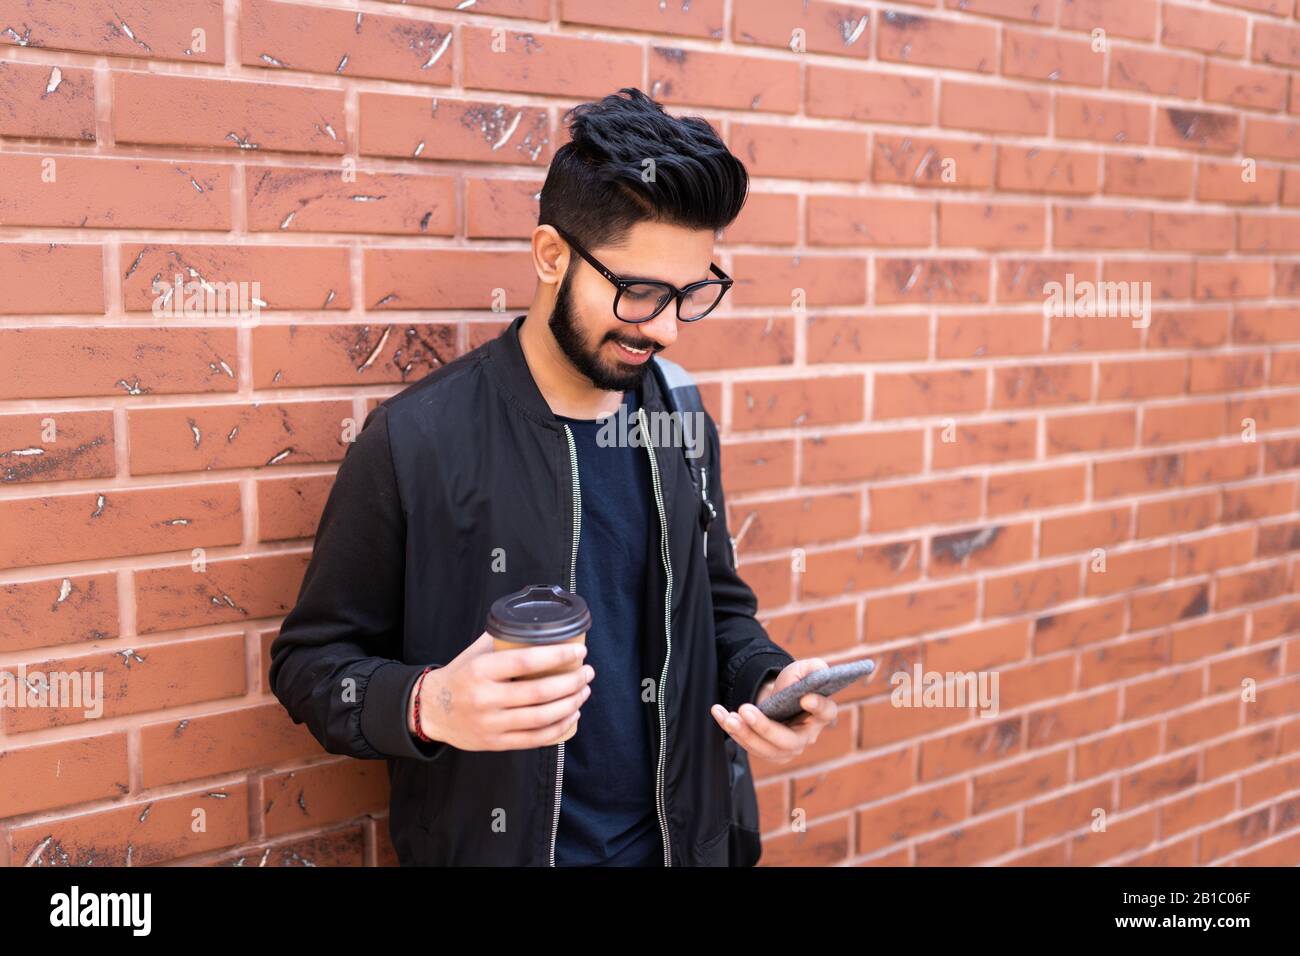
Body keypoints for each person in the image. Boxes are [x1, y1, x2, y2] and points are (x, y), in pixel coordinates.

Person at [269, 87, 838, 867]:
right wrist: (428, 704)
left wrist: (766, 678)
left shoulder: (678, 416)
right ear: (550, 255)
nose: (666, 328)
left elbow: (715, 604)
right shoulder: (417, 439)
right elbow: (311, 666)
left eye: (691, 293)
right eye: (639, 291)